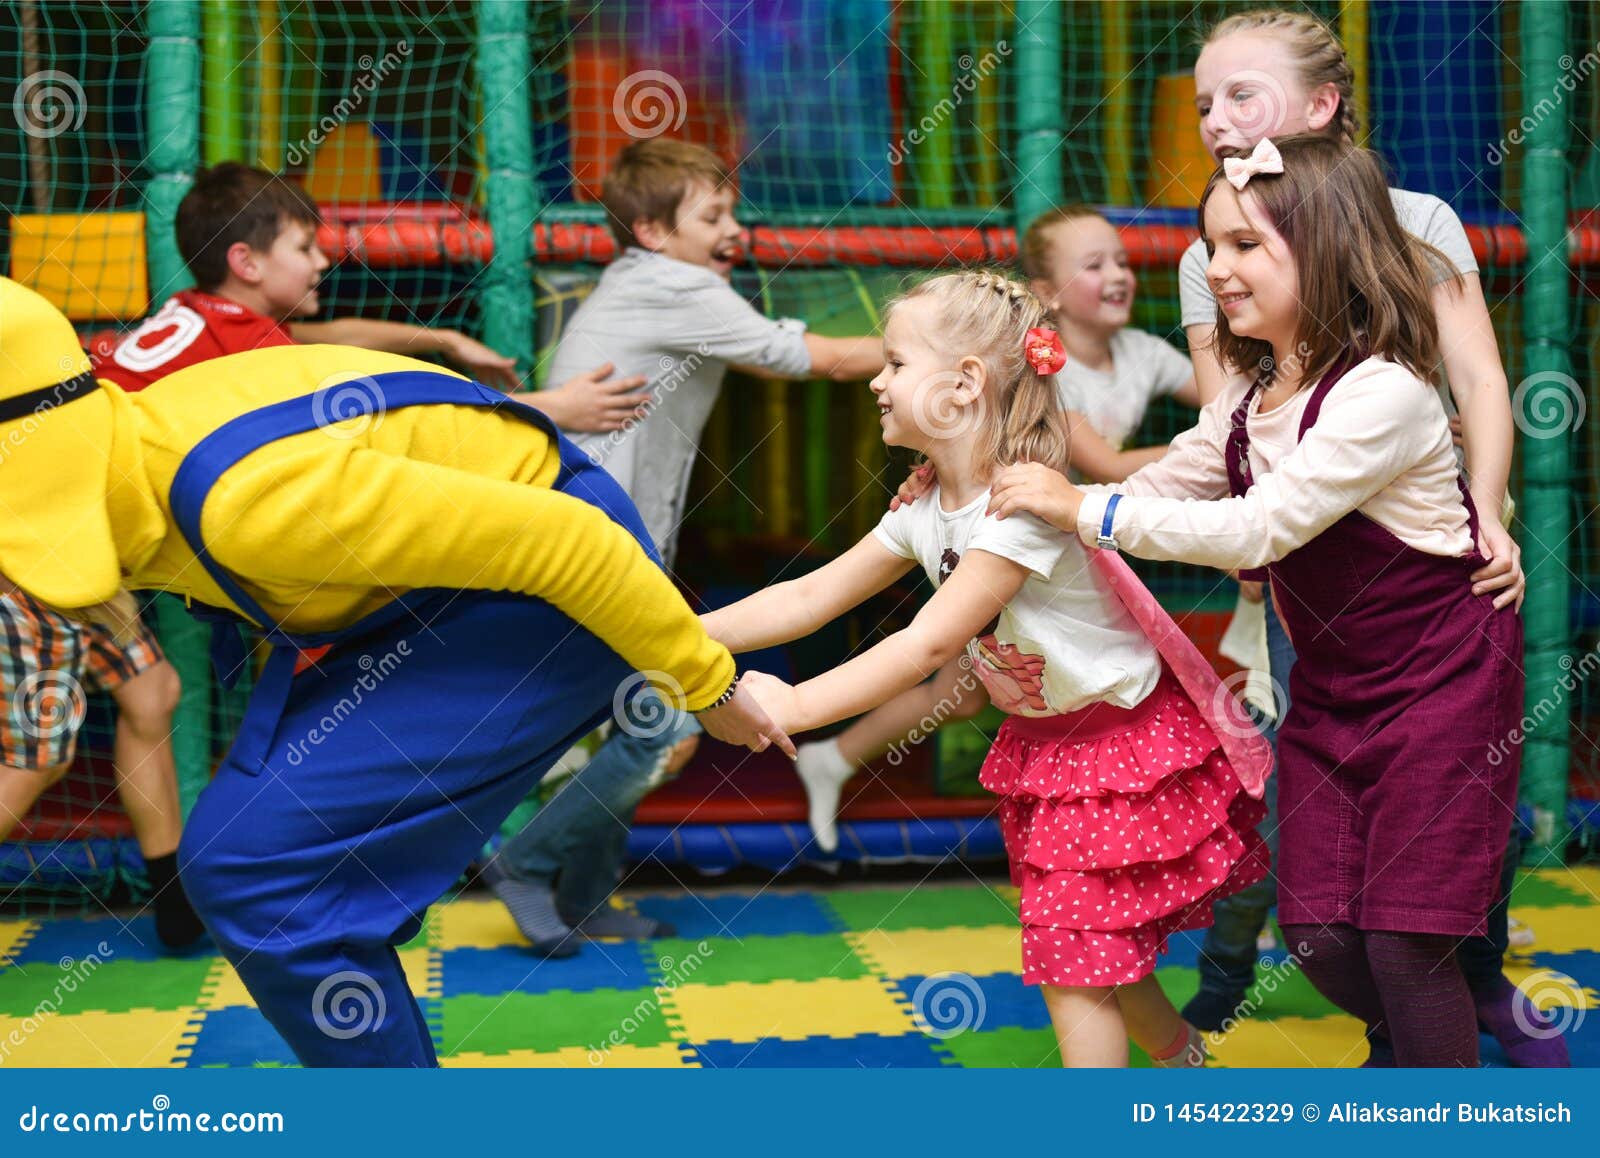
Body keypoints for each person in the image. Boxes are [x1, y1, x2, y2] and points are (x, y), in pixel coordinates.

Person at [0, 275, 787, 1067]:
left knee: (253, 871)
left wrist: (705, 685)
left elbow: (572, 544)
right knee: (244, 860)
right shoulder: (144, 441)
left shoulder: (246, 505)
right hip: (433, 596)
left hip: (558, 592)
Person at [984, 136, 1522, 1067]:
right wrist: (979, 502)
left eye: (1245, 246)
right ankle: (1416, 1044)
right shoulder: (1249, 401)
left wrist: (1082, 508)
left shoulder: (1383, 395)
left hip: (1443, 692)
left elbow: (1256, 530)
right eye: (1212, 246)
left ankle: (1437, 1085)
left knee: (1405, 942)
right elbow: (1162, 486)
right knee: (1317, 931)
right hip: (1335, 694)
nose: (1216, 268)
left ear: (1328, 252)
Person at [703, 269, 1270, 1067]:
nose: (877, 380)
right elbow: (809, 595)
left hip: (1119, 755)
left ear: (966, 383)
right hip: (1051, 755)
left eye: (896, 363)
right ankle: (1185, 1065)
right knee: (1097, 951)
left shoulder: (1019, 510)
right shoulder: (926, 505)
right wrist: (681, 633)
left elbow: (927, 647)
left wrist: (792, 707)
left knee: (1075, 962)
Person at [1176, 8, 1560, 1067]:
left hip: (1417, 547)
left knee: (1443, 817)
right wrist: (1242, 537)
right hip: (1311, 562)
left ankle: (1462, 998)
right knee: (1327, 815)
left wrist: (1487, 509)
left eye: (1240, 95)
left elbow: (1477, 377)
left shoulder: (1418, 218)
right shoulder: (1216, 243)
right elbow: (1230, 415)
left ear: (1320, 105)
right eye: (1203, 102)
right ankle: (1407, 1017)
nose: (1216, 119)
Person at [483, 138, 884, 953]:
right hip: (589, 552)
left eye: (732, 210)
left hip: (608, 547)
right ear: (654, 232)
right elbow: (824, 360)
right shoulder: (675, 285)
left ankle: (582, 897)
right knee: (664, 725)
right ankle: (526, 863)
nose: (733, 228)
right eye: (713, 215)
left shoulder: (661, 282)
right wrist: (950, 348)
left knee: (642, 721)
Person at [791, 205, 1202, 854]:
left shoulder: (1143, 353)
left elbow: (1219, 402)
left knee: (962, 691)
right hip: (1006, 536)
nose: (1119, 274)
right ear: (1046, 293)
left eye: (1122, 261)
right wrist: (1198, 456)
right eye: (1094, 266)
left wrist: (1225, 440)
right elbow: (1105, 466)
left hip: (1055, 557)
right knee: (955, 688)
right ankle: (833, 756)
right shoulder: (1042, 375)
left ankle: (832, 756)